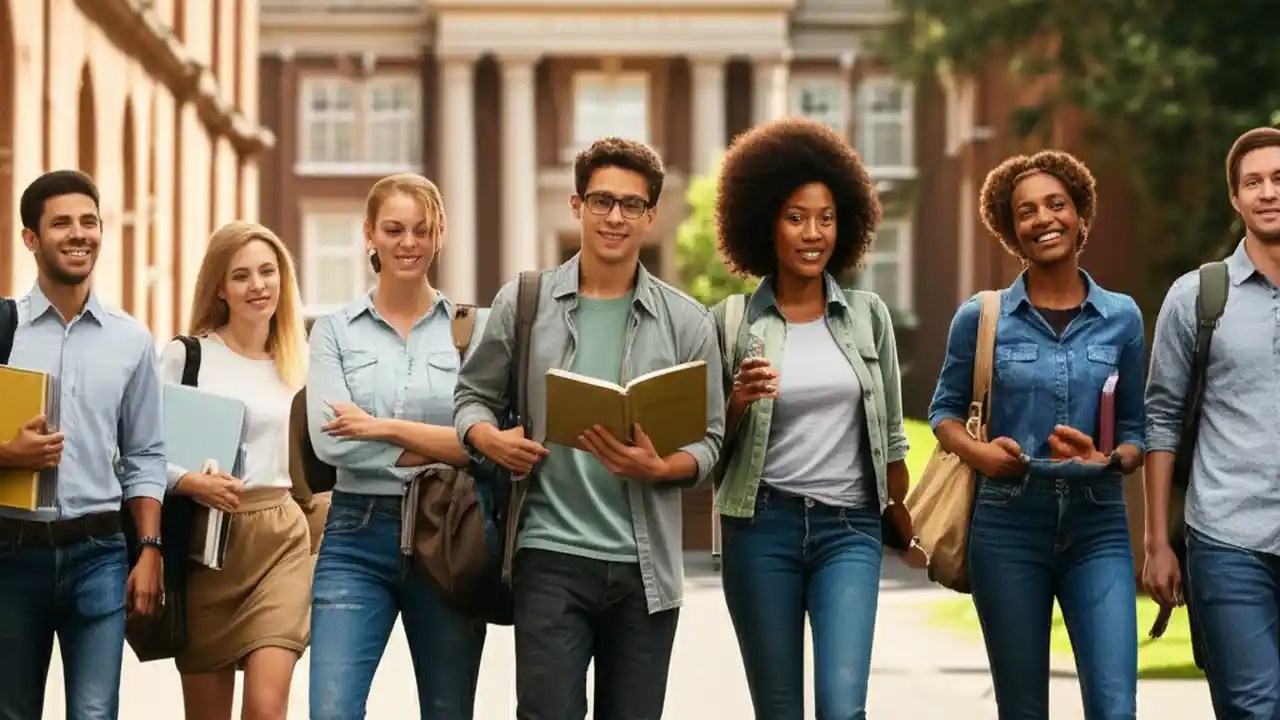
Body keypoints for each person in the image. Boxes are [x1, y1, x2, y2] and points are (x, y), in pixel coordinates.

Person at [454, 136, 724, 719]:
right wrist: (489, 439)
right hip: (549, 553)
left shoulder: (688, 322)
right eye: (602, 200)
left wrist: (661, 467)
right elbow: (471, 397)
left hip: (646, 570)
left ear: (651, 215)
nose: (615, 217)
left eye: (631, 204)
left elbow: (711, 442)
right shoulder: (524, 303)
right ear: (577, 205)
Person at [928, 151, 1146, 719]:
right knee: (1022, 708)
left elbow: (1135, 429)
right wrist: (981, 455)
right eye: (1026, 212)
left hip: (1098, 523)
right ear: (1010, 229)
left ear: (1080, 215)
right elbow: (944, 413)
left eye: (1056, 205)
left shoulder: (1123, 317)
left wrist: (1110, 457)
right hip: (1007, 524)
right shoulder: (981, 317)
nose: (1044, 219)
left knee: (1116, 707)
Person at [708, 117, 909, 720]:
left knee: (842, 709)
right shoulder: (730, 322)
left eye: (826, 218)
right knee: (778, 710)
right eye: (796, 217)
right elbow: (704, 450)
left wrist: (904, 517)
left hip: (849, 530)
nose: (813, 233)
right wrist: (736, 402)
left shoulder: (869, 317)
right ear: (766, 222)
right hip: (760, 529)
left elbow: (892, 436)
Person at [305, 173, 485, 719]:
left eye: (422, 230)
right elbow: (330, 442)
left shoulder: (473, 331)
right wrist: (446, 444)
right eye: (394, 229)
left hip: (449, 533)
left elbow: (487, 445)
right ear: (370, 233)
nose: (409, 242)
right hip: (355, 536)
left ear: (440, 234)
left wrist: (383, 428)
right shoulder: (334, 331)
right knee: (332, 711)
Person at [0, 170, 166, 719]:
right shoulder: (3, 330)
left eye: (89, 221)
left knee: (95, 714)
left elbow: (145, 454)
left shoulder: (131, 340)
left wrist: (149, 549)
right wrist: (8, 456)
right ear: (31, 238)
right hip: (10, 554)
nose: (79, 234)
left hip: (99, 554)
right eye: (62, 223)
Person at [1144, 126, 1280, 718]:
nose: (1268, 192)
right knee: (1255, 708)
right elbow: (1161, 418)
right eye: (1253, 182)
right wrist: (1156, 542)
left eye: (1279, 179)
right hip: (1228, 540)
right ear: (1235, 198)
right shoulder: (1197, 297)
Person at [159, 221, 311, 719]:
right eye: (241, 275)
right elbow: (141, 453)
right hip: (207, 544)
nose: (258, 285)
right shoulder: (188, 356)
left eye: (268, 272)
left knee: (266, 708)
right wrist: (190, 482)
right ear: (220, 288)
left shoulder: (302, 360)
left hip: (280, 539)